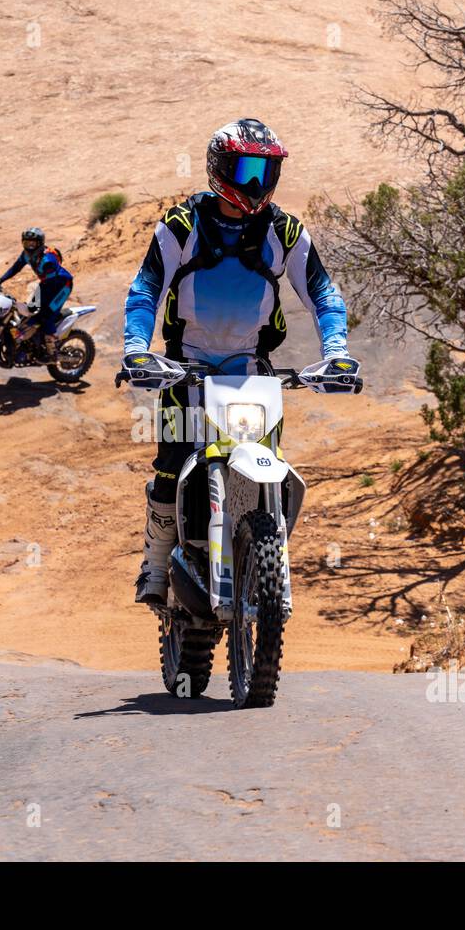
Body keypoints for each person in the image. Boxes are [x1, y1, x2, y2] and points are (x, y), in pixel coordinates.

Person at [122, 118, 352, 605]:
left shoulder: (284, 232)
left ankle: (261, 563)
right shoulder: (182, 225)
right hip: (186, 370)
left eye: (266, 172)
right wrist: (136, 349)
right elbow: (146, 290)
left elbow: (323, 294)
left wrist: (336, 353)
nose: (257, 184)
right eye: (248, 170)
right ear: (221, 166)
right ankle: (158, 564)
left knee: (270, 463)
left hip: (250, 374)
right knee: (170, 464)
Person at [0, 227, 73, 357]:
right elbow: (15, 268)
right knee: (29, 313)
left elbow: (51, 273)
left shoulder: (48, 258)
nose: (29, 246)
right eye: (26, 243)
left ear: (40, 243)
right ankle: (34, 341)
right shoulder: (26, 255)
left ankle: (53, 351)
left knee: (46, 315)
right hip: (46, 284)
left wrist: (39, 299)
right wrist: (0, 280)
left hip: (62, 286)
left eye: (33, 243)